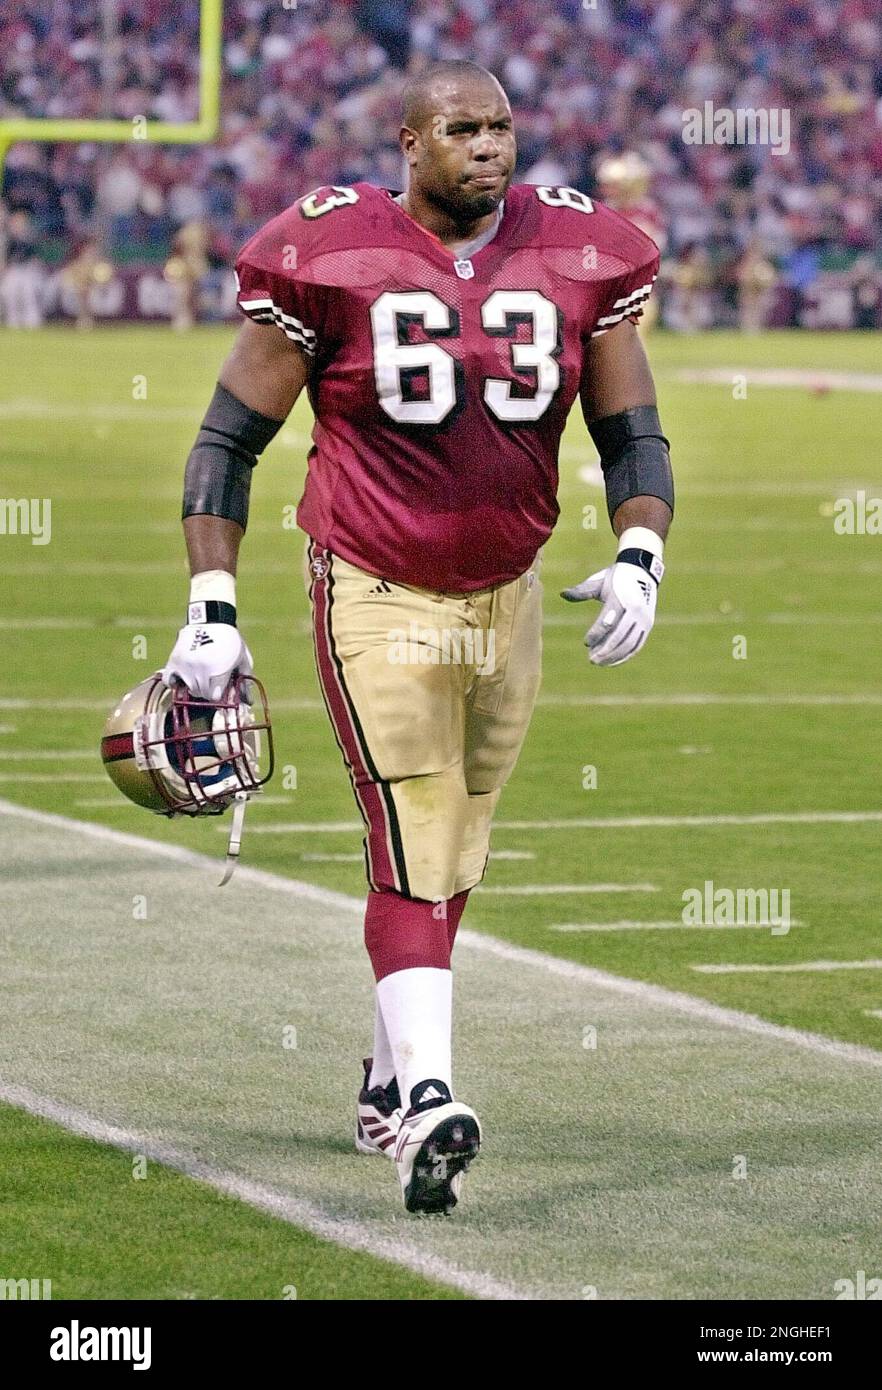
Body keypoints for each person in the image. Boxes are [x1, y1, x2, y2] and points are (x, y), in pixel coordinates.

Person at [161, 60, 674, 1215]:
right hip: (375, 583)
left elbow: (633, 427)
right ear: (408, 141)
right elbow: (227, 440)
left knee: (458, 846)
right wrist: (213, 606)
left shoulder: (582, 247)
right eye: (461, 128)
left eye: (502, 127)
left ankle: (386, 1078)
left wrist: (643, 550)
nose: (489, 148)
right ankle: (431, 1101)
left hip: (512, 589)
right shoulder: (327, 248)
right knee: (414, 828)